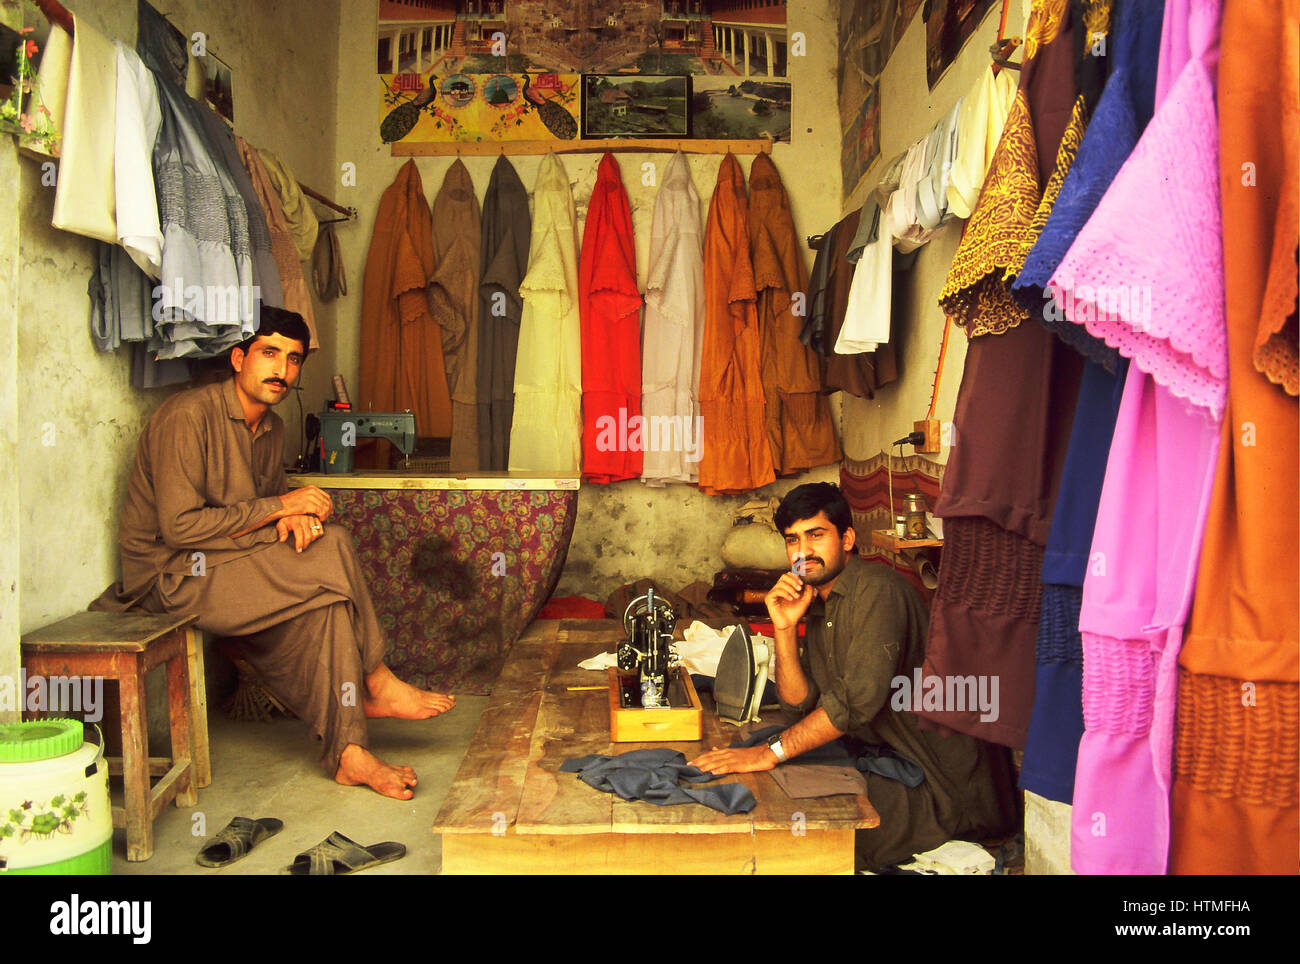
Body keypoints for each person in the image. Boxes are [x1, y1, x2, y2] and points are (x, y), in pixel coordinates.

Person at [91, 306, 454, 800]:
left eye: (293, 359)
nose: (281, 370)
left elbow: (257, 515)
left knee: (326, 601)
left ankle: (349, 755)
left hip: (227, 564)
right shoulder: (187, 416)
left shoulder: (273, 429)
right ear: (239, 358)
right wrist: (281, 506)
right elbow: (180, 528)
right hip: (170, 575)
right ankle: (378, 677)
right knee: (337, 545)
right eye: (269, 353)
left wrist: (291, 518)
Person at [690, 482, 1015, 869]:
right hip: (879, 757)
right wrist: (782, 628)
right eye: (792, 540)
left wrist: (770, 753)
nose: (803, 552)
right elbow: (798, 707)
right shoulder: (817, 601)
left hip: (940, 785)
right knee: (755, 786)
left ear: (847, 539)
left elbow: (854, 705)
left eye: (816, 535)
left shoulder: (877, 591)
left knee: (810, 835)